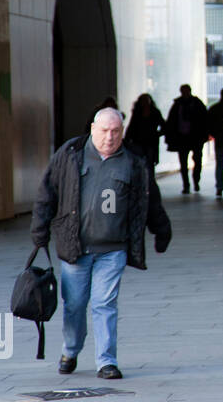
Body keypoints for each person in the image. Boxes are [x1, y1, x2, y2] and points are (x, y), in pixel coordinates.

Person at [30, 108, 171, 379]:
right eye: (104, 131)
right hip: (76, 248)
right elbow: (47, 193)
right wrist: (40, 232)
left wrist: (162, 230)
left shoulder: (133, 162)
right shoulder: (71, 155)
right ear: (93, 128)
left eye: (116, 131)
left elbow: (149, 200)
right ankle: (70, 350)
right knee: (74, 304)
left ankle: (106, 361)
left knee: (104, 303)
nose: (110, 137)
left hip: (113, 249)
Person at [164, 84, 208, 194]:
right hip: (184, 138)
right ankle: (188, 184)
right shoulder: (180, 104)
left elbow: (204, 119)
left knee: (195, 161)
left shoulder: (192, 104)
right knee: (185, 163)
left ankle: (194, 181)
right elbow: (171, 122)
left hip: (193, 137)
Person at [124, 94, 165, 167]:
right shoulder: (138, 113)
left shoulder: (154, 112)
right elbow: (132, 126)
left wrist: (157, 134)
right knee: (141, 163)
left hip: (149, 142)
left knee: (148, 163)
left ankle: (148, 178)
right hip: (140, 141)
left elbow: (164, 126)